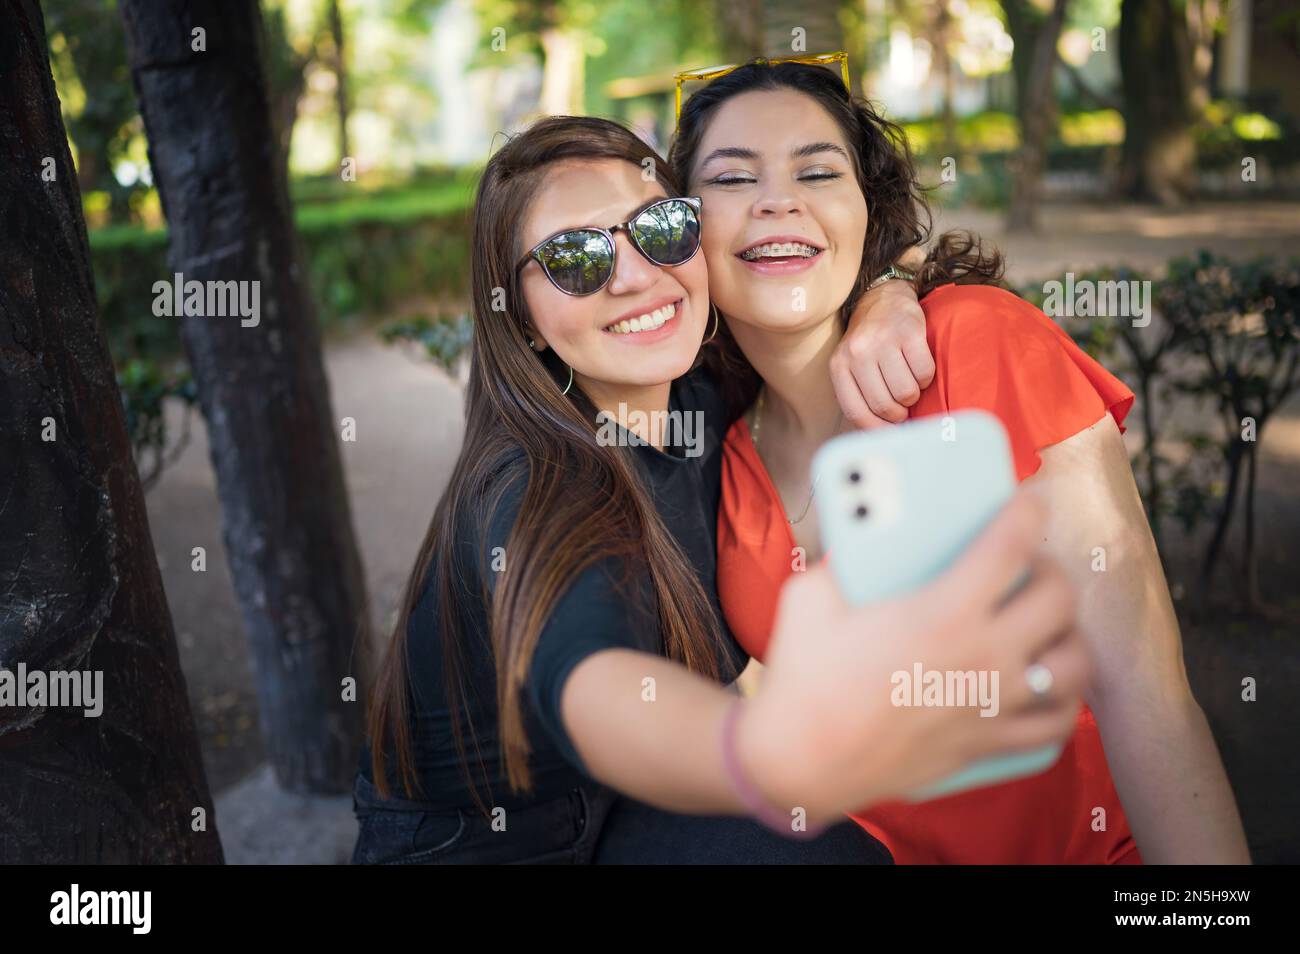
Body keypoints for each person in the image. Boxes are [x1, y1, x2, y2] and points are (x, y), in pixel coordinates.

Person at [353, 115, 1090, 864]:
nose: (637, 274)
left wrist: (889, 293)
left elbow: (833, 249)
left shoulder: (701, 387)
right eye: (575, 258)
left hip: (619, 811)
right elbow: (589, 682)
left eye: (662, 227)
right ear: (526, 321)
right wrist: (760, 751)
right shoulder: (531, 484)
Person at [669, 59, 1251, 864]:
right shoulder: (717, 454)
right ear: (684, 229)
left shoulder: (977, 346)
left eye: (817, 170)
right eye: (733, 179)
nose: (778, 199)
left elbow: (1145, 698)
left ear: (868, 212)